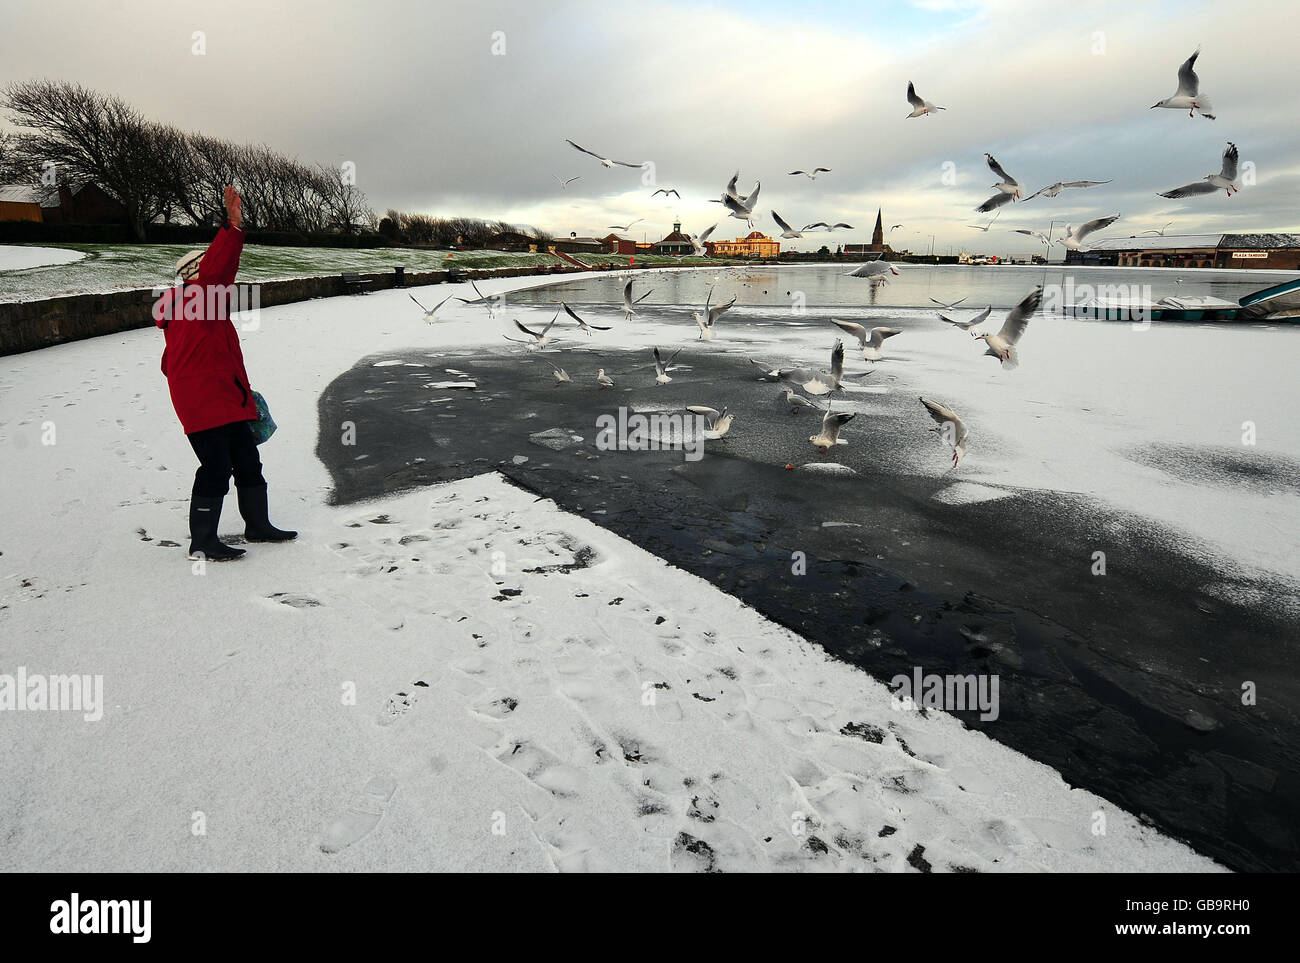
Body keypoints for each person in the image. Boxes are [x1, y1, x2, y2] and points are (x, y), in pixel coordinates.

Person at [155, 186, 296, 561]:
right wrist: (232, 228)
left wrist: (243, 392)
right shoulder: (199, 303)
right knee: (216, 467)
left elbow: (181, 361)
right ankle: (202, 541)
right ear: (196, 278)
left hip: (226, 396)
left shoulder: (192, 311)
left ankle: (258, 526)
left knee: (247, 460)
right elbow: (218, 272)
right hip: (205, 403)